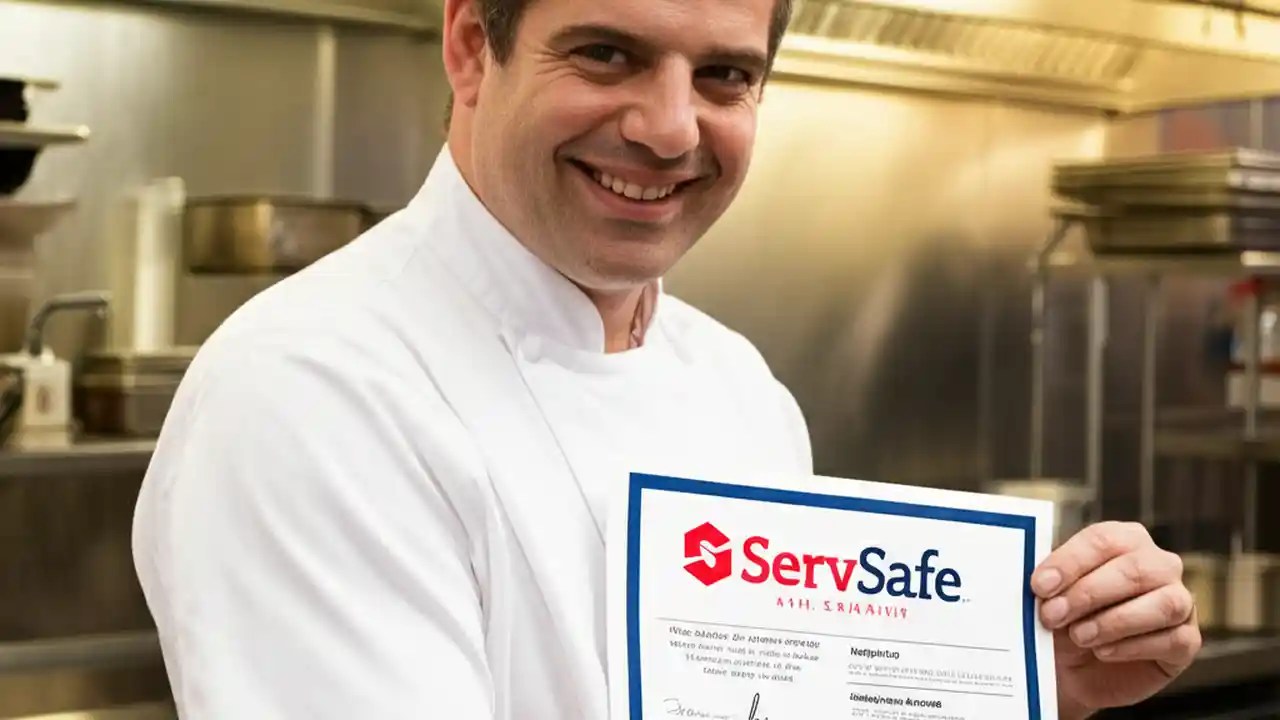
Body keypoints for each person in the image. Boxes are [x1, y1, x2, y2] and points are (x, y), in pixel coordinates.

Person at [130, 0, 1201, 716]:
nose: (669, 127)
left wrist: (1005, 682)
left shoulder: (735, 387)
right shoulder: (311, 390)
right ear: (469, 44)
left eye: (725, 76)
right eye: (607, 53)